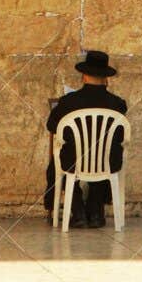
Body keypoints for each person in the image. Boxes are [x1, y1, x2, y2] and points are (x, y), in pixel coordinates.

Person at [45, 51, 128, 229]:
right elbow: (120, 136)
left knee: (58, 164)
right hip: (107, 163)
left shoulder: (68, 102)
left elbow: (52, 127)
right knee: (105, 158)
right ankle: (96, 212)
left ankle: (78, 211)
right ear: (106, 79)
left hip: (74, 161)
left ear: (84, 77)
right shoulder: (118, 104)